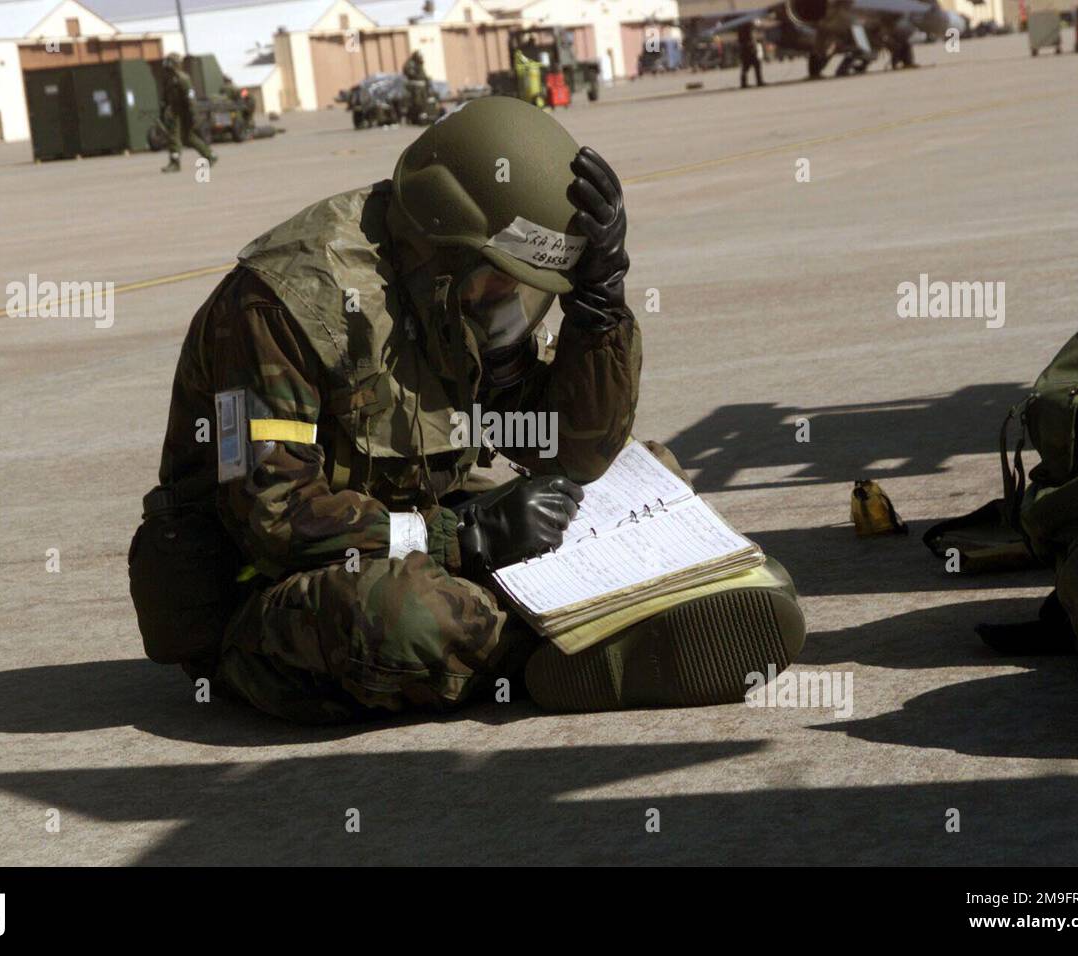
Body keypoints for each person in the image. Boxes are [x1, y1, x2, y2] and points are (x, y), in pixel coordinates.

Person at [129, 96, 805, 723]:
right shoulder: (282, 306)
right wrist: (461, 538)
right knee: (408, 618)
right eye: (503, 281)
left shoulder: (467, 290)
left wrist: (599, 308)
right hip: (273, 587)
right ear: (445, 246)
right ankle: (577, 636)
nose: (511, 302)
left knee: (647, 472)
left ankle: (594, 615)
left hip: (431, 522)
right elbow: (274, 517)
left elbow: (573, 449)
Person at [159, 52, 215, 173]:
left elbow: (190, 99)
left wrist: (193, 116)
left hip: (184, 112)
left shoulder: (183, 79)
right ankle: (209, 156)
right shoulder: (169, 79)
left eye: (169, 62)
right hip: (174, 111)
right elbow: (165, 97)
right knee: (182, 137)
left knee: (182, 137)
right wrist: (163, 110)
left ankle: (176, 163)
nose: (166, 65)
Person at [401, 50, 430, 123]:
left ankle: (423, 116)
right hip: (416, 87)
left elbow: (423, 75)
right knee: (417, 102)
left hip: (423, 86)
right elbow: (410, 73)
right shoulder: (411, 63)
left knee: (424, 102)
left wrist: (427, 80)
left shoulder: (419, 64)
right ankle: (414, 117)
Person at [737, 22, 765, 88]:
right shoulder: (744, 30)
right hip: (747, 51)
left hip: (748, 50)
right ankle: (756, 82)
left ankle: (756, 81)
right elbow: (744, 41)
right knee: (747, 67)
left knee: (752, 66)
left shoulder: (744, 29)